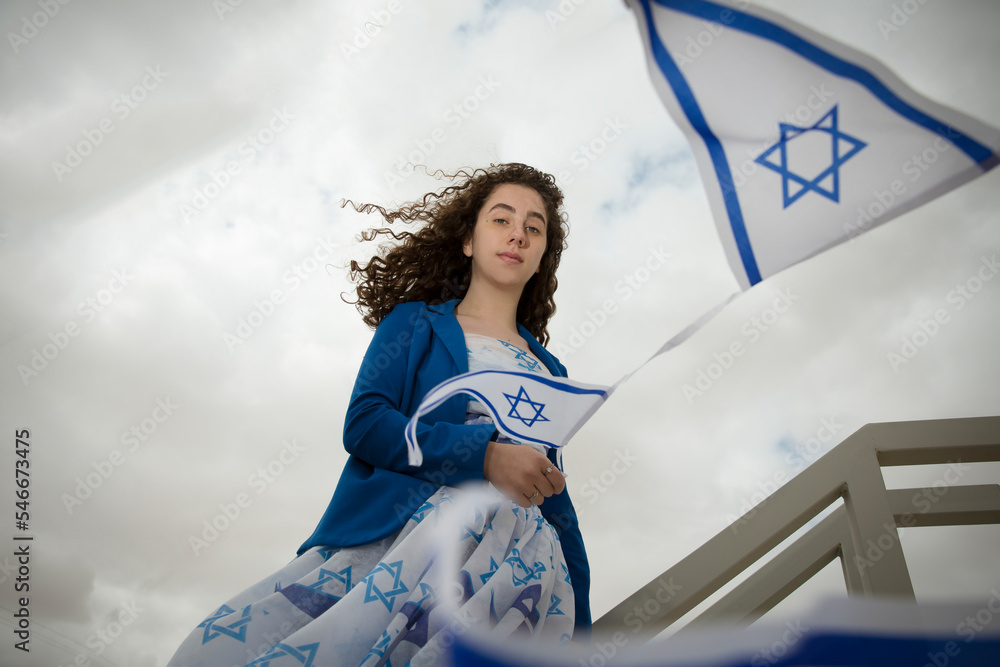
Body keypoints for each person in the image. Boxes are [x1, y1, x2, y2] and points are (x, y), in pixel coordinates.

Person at [169, 163, 590, 666]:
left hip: (520, 568)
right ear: (468, 241)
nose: (517, 234)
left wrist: (582, 625)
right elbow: (366, 423)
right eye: (501, 219)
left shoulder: (551, 371)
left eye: (534, 227)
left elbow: (555, 496)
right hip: (402, 541)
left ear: (542, 256)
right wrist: (485, 456)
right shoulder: (415, 323)